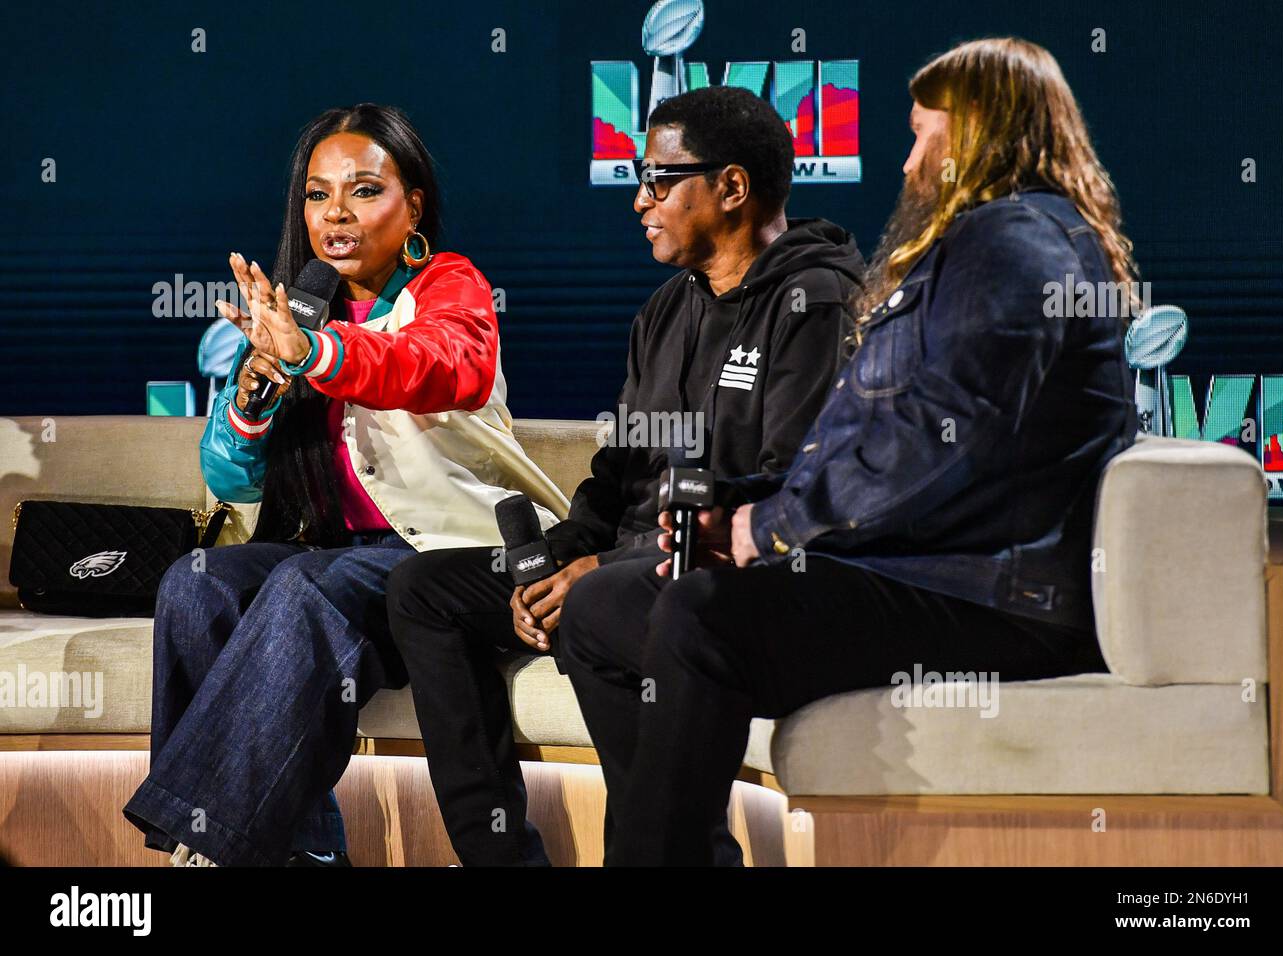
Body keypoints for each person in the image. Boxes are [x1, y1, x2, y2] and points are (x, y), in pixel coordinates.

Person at [560, 37, 1140, 865]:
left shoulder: (1015, 245)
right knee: (600, 611)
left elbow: (940, 442)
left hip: (989, 597)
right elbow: (882, 440)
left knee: (702, 613)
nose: (907, 165)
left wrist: (772, 529)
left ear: (975, 139)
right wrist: (744, 505)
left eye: (921, 136)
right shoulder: (995, 242)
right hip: (926, 567)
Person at [385, 85, 866, 865]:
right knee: (423, 592)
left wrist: (597, 572)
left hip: (724, 574)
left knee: (598, 604)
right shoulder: (664, 311)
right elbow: (616, 474)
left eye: (660, 180)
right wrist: (559, 559)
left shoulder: (818, 303)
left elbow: (786, 493)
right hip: (628, 565)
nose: (641, 201)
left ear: (732, 187)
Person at [122, 103, 567, 867]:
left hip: (457, 558)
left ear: (413, 204)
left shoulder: (448, 285)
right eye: (318, 193)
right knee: (196, 585)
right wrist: (255, 399)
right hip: (341, 559)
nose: (336, 213)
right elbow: (228, 479)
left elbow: (440, 369)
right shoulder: (294, 310)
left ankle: (209, 845)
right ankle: (301, 856)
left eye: (364, 191)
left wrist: (316, 354)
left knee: (303, 584)